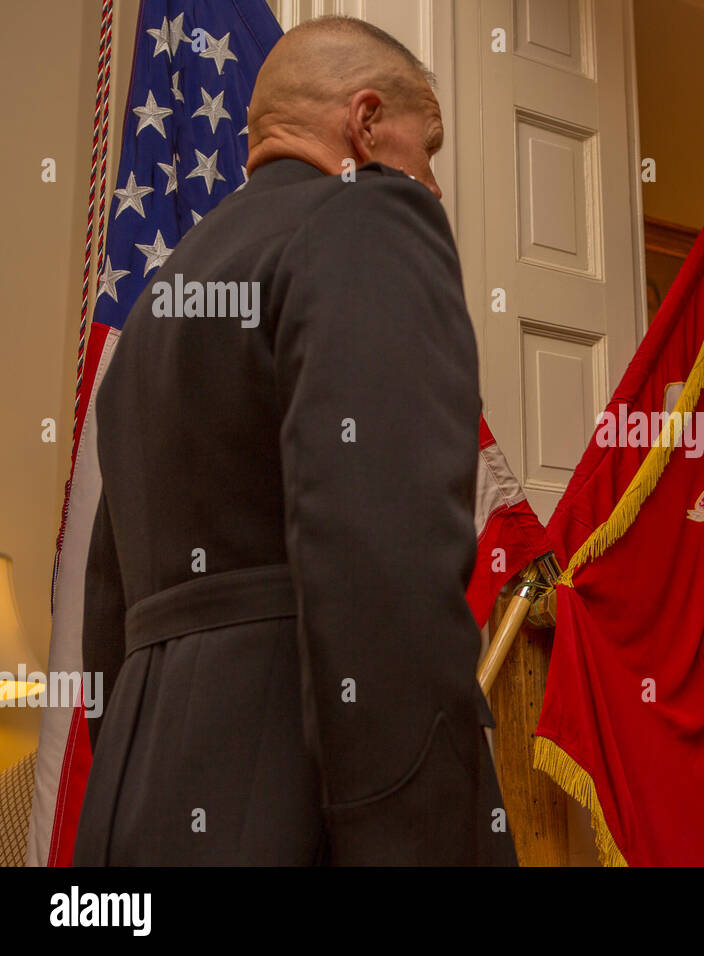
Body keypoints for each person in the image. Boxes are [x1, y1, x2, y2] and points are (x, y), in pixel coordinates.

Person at [74, 17, 516, 865]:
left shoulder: (160, 298)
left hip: (142, 797)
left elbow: (109, 608)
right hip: (305, 798)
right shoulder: (368, 220)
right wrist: (416, 830)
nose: (429, 186)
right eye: (426, 152)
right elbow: (384, 555)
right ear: (367, 122)